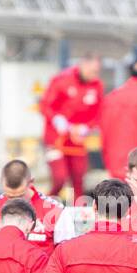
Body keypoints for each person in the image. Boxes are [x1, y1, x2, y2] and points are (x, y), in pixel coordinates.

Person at [38, 54, 103, 199]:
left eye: (97, 72)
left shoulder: (96, 86)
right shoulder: (61, 80)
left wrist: (86, 127)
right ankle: (43, 207)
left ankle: (76, 215)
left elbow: (98, 113)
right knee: (60, 178)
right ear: (83, 65)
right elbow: (45, 105)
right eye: (92, 71)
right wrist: (57, 119)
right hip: (56, 140)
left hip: (77, 140)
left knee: (78, 180)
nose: (95, 75)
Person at [0, 159, 64, 253]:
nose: (15, 201)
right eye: (10, 196)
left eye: (20, 195)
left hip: (41, 266)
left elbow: (63, 256)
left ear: (31, 182)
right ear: (1, 181)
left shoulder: (56, 211)